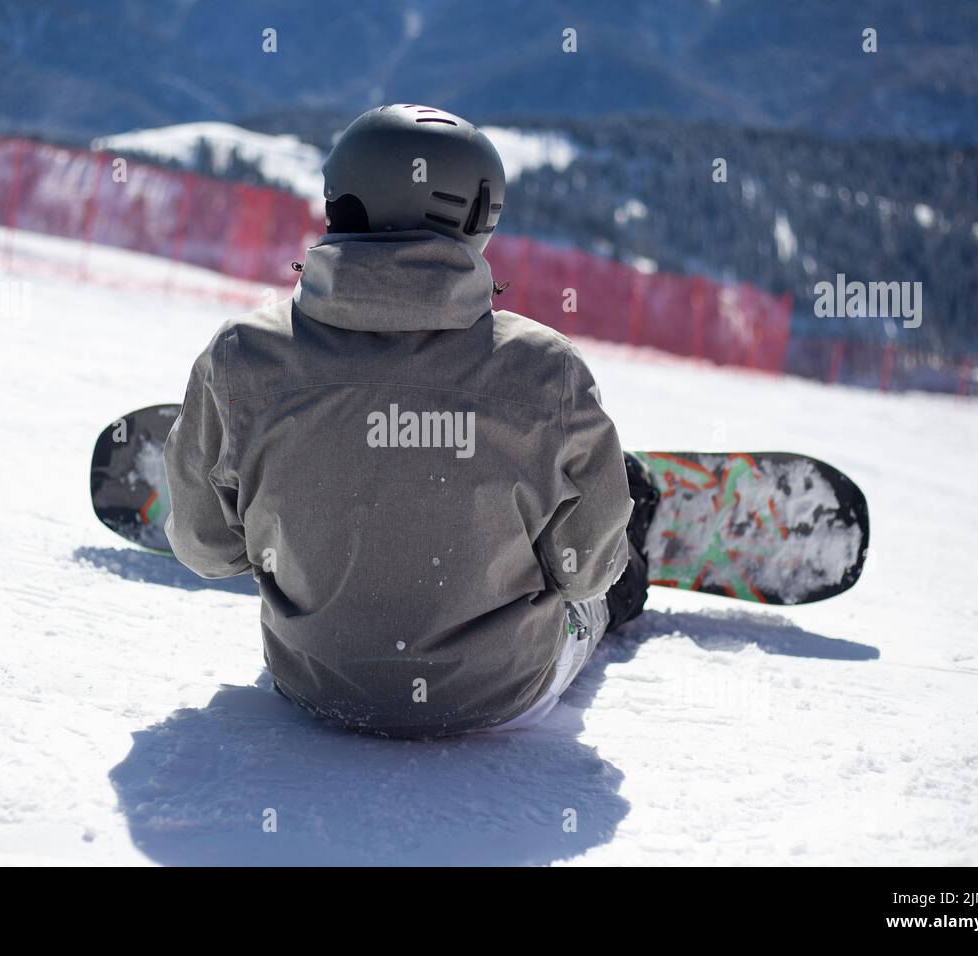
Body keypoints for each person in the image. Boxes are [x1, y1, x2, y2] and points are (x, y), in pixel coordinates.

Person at [163, 104, 659, 737]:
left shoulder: (240, 354)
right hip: (500, 696)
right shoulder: (543, 369)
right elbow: (583, 567)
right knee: (601, 589)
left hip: (311, 685)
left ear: (339, 199)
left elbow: (207, 549)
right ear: (478, 215)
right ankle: (633, 530)